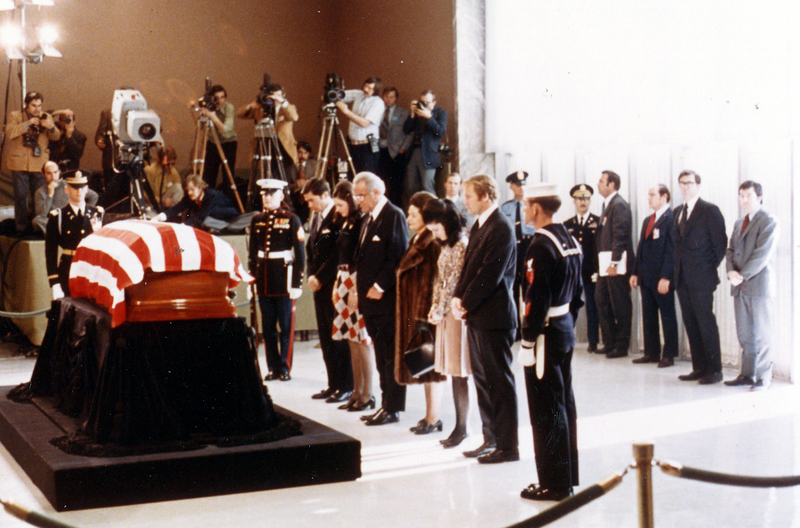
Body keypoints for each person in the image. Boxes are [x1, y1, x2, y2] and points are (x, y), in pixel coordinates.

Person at [517, 182, 582, 502]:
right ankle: (566, 476)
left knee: (545, 409)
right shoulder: (568, 238)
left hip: (545, 334)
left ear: (537, 209)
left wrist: (528, 340)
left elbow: (535, 298)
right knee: (563, 404)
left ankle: (554, 484)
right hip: (564, 327)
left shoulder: (540, 245)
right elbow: (579, 293)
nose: (524, 210)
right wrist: (567, 323)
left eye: (527, 205)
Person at [452, 174, 519, 464]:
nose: (465, 202)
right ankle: (490, 438)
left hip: (496, 317)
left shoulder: (501, 226)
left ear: (486, 197)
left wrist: (465, 302)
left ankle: (508, 446)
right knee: (483, 381)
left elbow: (490, 274)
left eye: (469, 197)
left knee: (499, 382)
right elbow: (469, 267)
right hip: (479, 315)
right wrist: (457, 296)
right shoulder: (481, 223)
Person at [352, 172, 409, 425]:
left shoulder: (393, 216)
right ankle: (385, 404)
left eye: (362, 196)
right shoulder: (368, 219)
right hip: (369, 301)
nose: (359, 201)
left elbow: (397, 257)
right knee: (380, 354)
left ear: (377, 192)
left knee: (389, 355)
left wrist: (379, 285)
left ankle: (392, 407)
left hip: (384, 300)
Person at [394, 192, 445, 435]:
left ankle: (434, 418)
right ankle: (429, 415)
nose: (408, 218)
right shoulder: (419, 240)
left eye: (413, 214)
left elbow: (434, 280)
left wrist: (423, 316)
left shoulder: (431, 242)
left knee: (432, 366)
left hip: (425, 314)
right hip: (415, 311)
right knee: (425, 366)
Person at [424, 198, 471, 447]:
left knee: (459, 371)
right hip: (444, 313)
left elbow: (454, 281)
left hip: (455, 314)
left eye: (436, 227)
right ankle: (460, 426)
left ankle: (462, 427)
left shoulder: (461, 244)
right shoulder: (445, 245)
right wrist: (434, 306)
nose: (434, 232)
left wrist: (441, 309)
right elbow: (438, 280)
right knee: (453, 373)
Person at [674, 170, 727, 385]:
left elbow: (720, 245)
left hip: (702, 278)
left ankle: (715, 370)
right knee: (690, 322)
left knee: (705, 322)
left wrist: (706, 268)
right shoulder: (678, 211)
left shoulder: (709, 210)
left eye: (689, 183)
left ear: (698, 185)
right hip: (682, 279)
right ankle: (699, 367)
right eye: (682, 183)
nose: (685, 187)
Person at [249, 178, 305, 381]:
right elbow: (253, 253)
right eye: (264, 194)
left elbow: (300, 254)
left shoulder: (292, 219)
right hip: (264, 280)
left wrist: (297, 283)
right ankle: (272, 367)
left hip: (284, 279)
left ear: (281, 196)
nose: (267, 197)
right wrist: (251, 279)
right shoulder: (257, 220)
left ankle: (285, 367)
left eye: (271, 194)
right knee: (268, 328)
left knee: (286, 327)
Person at [724, 180, 778, 391]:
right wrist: (730, 271)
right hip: (740, 285)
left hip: (758, 286)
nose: (744, 200)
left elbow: (762, 254)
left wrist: (742, 275)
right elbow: (730, 251)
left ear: (759, 198)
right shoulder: (739, 223)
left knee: (763, 334)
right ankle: (747, 374)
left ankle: (763, 377)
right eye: (741, 196)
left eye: (748, 196)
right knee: (744, 333)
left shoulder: (768, 221)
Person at [304, 178, 353, 404]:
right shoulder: (316, 218)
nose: (310, 205)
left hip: (333, 285)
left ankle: (345, 386)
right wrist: (310, 276)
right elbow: (310, 251)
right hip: (318, 286)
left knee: (338, 338)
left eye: (312, 200)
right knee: (325, 337)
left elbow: (337, 255)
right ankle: (333, 384)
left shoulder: (337, 217)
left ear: (325, 195)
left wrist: (320, 277)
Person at [330, 181, 376, 412]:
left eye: (340, 204)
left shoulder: (361, 221)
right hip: (342, 278)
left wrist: (356, 287)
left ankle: (368, 393)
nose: (337, 209)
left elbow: (361, 257)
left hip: (355, 280)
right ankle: (357, 390)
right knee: (350, 337)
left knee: (362, 338)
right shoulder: (345, 221)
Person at [629, 184, 678, 368]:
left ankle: (669, 354)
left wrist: (666, 276)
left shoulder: (671, 219)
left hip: (661, 278)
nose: (648, 198)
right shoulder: (648, 220)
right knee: (648, 315)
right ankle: (651, 352)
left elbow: (671, 251)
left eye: (652, 195)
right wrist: (635, 272)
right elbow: (640, 247)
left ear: (664, 197)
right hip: (646, 276)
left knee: (667, 315)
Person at [4, 91, 61, 235]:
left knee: (40, 196)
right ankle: (21, 227)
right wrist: (27, 124)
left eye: (39, 106)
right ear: (26, 105)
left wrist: (51, 127)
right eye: (34, 106)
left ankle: (39, 225)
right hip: (19, 163)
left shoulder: (45, 117)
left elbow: (56, 137)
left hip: (39, 163)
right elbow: (10, 132)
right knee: (21, 196)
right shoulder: (15, 116)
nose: (37, 109)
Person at [237, 84, 299, 211]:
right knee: (265, 179)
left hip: (283, 150)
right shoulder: (261, 109)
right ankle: (264, 208)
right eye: (272, 95)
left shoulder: (287, 107)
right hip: (264, 148)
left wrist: (282, 102)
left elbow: (293, 117)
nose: (275, 98)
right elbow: (240, 114)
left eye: (278, 95)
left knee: (284, 181)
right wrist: (251, 105)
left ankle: (287, 209)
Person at [595, 170, 634, 358]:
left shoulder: (619, 205)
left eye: (602, 181)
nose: (598, 184)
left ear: (611, 185)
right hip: (604, 263)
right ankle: (609, 342)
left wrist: (614, 262)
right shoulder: (607, 205)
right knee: (601, 299)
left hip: (615, 263)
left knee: (620, 303)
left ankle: (621, 345)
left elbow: (621, 235)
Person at [45, 170, 103, 299]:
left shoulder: (97, 214)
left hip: (91, 270)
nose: (79, 191)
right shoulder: (58, 217)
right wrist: (54, 282)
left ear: (87, 189)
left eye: (82, 187)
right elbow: (50, 253)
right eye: (74, 187)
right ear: (66, 190)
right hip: (68, 270)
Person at [564, 184, 600, 352]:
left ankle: (593, 341)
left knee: (593, 306)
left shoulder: (598, 222)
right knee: (570, 305)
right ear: (574, 202)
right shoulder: (567, 224)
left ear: (590, 201)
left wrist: (598, 270)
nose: (582, 202)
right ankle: (568, 338)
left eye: (586, 198)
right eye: (579, 199)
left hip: (591, 272)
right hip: (573, 273)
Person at [500, 171, 535, 340]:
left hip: (529, 249)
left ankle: (530, 327)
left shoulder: (533, 206)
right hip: (513, 250)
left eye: (524, 184)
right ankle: (515, 329)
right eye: (518, 185)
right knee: (512, 290)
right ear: (512, 187)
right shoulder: (505, 208)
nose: (522, 188)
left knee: (529, 290)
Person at [402, 89, 447, 200]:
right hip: (414, 151)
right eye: (421, 101)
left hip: (428, 154)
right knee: (412, 186)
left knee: (428, 186)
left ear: (434, 102)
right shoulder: (417, 112)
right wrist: (412, 114)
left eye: (426, 102)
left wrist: (429, 118)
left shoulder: (440, 113)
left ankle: (433, 212)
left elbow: (440, 132)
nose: (423, 105)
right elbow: (406, 130)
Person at [33, 161, 98, 235]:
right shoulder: (40, 192)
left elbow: (94, 196)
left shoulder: (68, 185)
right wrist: (50, 195)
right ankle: (57, 235)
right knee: (36, 220)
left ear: (59, 172)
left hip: (71, 218)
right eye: (49, 173)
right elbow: (41, 215)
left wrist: (86, 212)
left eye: (55, 172)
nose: (53, 176)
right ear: (43, 175)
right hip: (55, 221)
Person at [336, 77, 385, 174]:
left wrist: (346, 111)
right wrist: (335, 91)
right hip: (354, 145)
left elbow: (364, 123)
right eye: (366, 86)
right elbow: (341, 95)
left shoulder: (378, 103)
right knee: (354, 176)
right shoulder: (359, 94)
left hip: (367, 147)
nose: (366, 90)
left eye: (370, 88)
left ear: (376, 90)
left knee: (366, 177)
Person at [155, 173, 240, 229]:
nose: (189, 193)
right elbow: (177, 208)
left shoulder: (211, 196)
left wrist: (182, 227)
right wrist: (159, 217)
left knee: (205, 220)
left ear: (200, 188)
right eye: (188, 190)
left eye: (192, 189)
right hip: (211, 219)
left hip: (227, 218)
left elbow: (200, 217)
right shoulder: (191, 197)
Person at [196, 84, 238, 191]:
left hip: (228, 143)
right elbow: (200, 127)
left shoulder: (229, 108)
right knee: (208, 175)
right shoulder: (209, 108)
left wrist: (213, 117)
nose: (220, 101)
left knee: (228, 176)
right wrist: (202, 114)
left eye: (222, 97)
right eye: (216, 98)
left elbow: (226, 132)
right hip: (212, 142)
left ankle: (228, 202)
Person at [378, 87, 412, 206]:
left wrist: (404, 148)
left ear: (396, 98)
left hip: (398, 152)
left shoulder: (404, 112)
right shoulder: (379, 111)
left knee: (396, 185)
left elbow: (409, 133)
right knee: (382, 183)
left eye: (391, 97)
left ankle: (396, 210)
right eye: (386, 97)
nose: (388, 99)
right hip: (382, 151)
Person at [144, 146, 184, 210]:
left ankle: (172, 213)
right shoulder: (150, 170)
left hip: (165, 203)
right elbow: (145, 194)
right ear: (161, 161)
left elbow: (178, 191)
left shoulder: (173, 172)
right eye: (168, 164)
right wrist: (161, 201)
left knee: (178, 187)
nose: (170, 167)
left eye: (172, 164)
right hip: (151, 203)